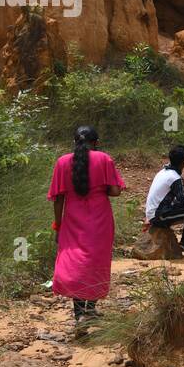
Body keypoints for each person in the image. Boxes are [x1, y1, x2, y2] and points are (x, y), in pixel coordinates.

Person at [48, 126, 125, 324]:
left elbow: (58, 199)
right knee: (95, 261)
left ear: (74, 142)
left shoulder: (62, 162)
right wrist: (100, 189)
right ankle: (90, 309)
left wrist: (58, 225)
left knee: (76, 262)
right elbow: (116, 191)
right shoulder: (104, 159)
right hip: (100, 218)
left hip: (73, 219)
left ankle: (79, 313)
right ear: (96, 143)